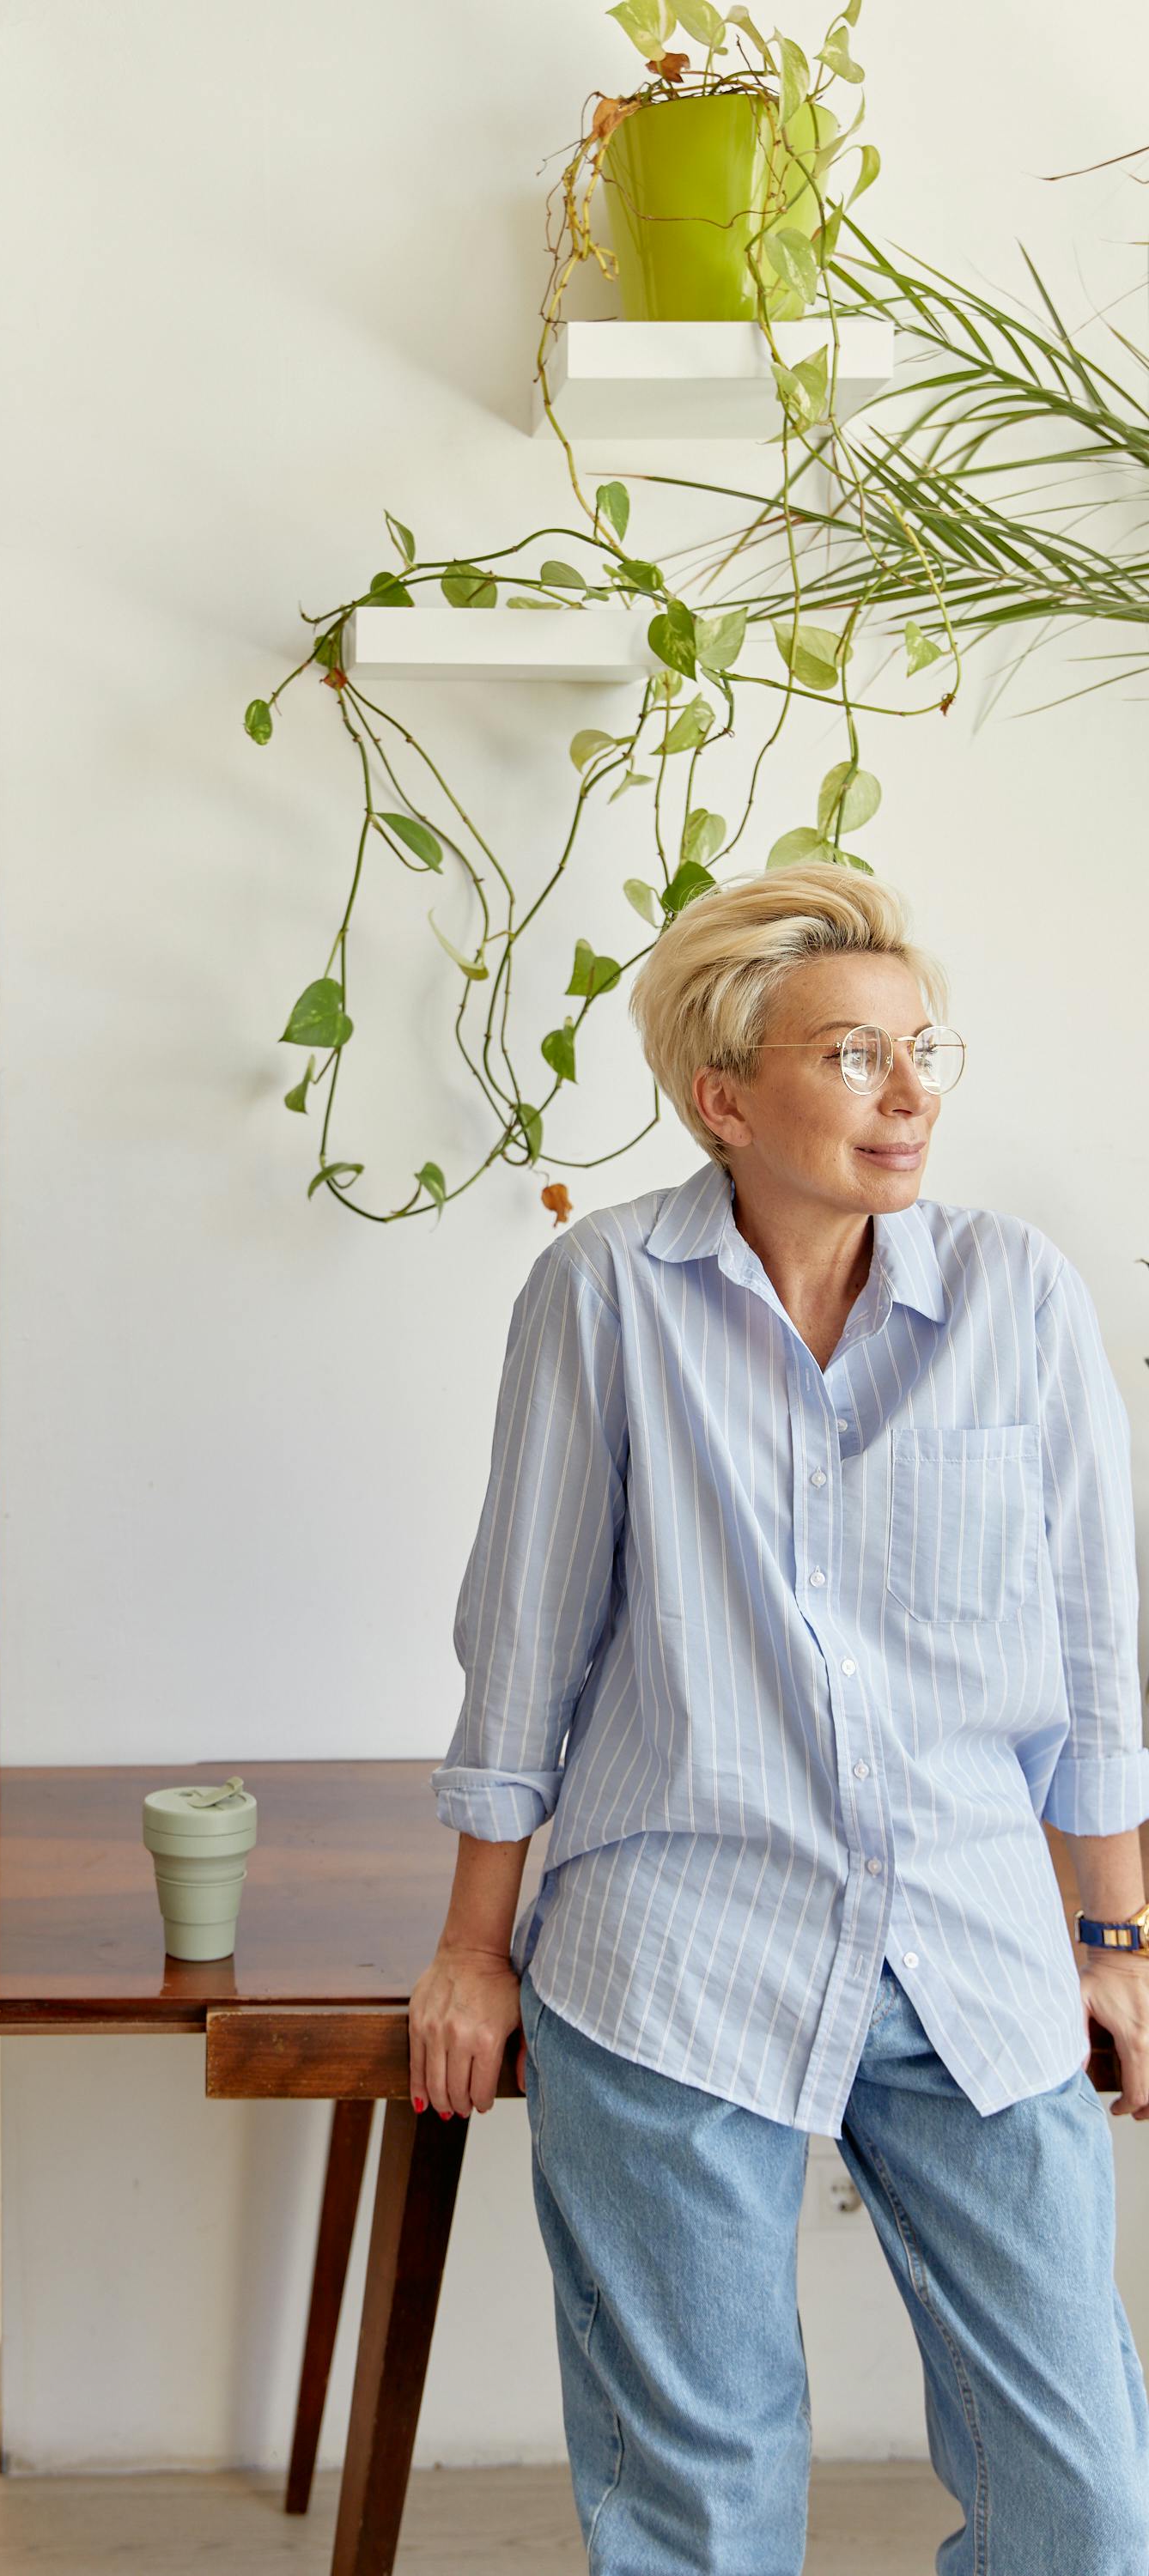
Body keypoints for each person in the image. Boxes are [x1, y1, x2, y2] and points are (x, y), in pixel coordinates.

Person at [410, 860, 1149, 2573]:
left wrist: (1109, 1933)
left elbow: (1092, 1663)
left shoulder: (1019, 1298)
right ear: (720, 1096)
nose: (908, 1095)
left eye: (924, 1049)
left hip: (969, 1945)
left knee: (1091, 2512)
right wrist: (472, 1946)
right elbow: (526, 1645)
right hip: (677, 1942)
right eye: (851, 1055)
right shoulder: (601, 1296)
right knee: (702, 2518)